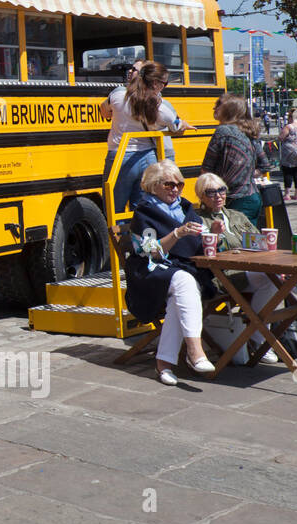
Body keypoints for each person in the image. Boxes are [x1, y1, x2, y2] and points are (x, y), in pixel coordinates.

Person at [125, 160, 215, 386]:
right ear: (153, 185)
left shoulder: (185, 208)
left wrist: (212, 232)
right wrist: (177, 233)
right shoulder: (144, 212)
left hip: (182, 268)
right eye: (168, 184)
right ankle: (195, 351)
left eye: (180, 184)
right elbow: (148, 252)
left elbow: (199, 239)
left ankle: (163, 364)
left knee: (182, 290)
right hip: (151, 272)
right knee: (185, 281)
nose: (175, 189)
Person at [193, 173, 280, 363]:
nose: (217, 195)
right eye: (210, 192)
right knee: (272, 280)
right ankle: (260, 340)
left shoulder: (237, 215)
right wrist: (214, 235)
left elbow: (260, 242)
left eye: (221, 190)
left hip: (251, 270)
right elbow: (201, 254)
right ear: (201, 196)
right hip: (224, 277)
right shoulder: (199, 220)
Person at [99, 61, 195, 213]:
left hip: (120, 157)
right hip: (148, 159)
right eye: (165, 83)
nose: (165, 86)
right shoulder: (161, 108)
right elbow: (176, 126)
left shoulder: (117, 94)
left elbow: (104, 110)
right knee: (143, 210)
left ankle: (116, 237)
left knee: (113, 209)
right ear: (156, 84)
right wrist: (184, 124)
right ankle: (140, 236)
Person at [201, 93, 270, 226]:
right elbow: (265, 165)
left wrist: (206, 195)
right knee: (249, 243)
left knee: (230, 242)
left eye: (218, 105)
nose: (214, 108)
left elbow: (206, 170)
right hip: (251, 197)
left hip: (231, 199)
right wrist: (245, 174)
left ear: (229, 109)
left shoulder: (223, 131)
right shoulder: (249, 132)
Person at [277, 110, 297, 201]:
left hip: (289, 151)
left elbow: (281, 138)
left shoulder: (288, 127)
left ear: (290, 117)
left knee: (288, 171)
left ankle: (287, 194)